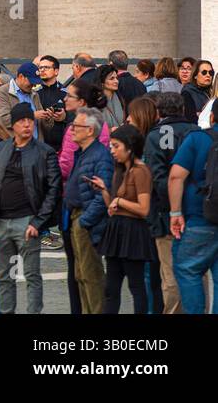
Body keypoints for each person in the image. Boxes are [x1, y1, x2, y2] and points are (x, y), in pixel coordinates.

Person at [0, 103, 60, 314]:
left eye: (30, 120)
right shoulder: (0, 149)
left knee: (32, 275)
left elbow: (53, 190)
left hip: (27, 222)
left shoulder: (44, 152)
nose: (27, 124)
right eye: (22, 120)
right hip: (0, 222)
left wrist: (38, 222)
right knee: (5, 276)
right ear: (13, 124)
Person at [89, 123, 152, 314]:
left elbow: (144, 209)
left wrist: (119, 201)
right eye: (111, 146)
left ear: (130, 147)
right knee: (111, 287)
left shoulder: (140, 171)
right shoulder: (121, 170)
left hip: (133, 232)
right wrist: (105, 192)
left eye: (116, 146)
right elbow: (113, 207)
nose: (112, 150)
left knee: (136, 285)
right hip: (117, 228)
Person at [146, 92, 196, 313]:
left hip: (166, 214)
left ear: (159, 111)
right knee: (195, 271)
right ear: (183, 109)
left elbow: (158, 177)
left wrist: (171, 207)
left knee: (170, 273)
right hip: (196, 211)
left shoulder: (155, 135)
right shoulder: (196, 133)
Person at [167, 114, 218, 313]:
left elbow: (175, 177)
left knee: (188, 269)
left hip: (199, 217)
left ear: (212, 117)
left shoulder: (197, 138)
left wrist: (175, 212)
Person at [66, 108, 115, 315]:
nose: (72, 130)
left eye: (76, 126)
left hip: (86, 220)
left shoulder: (99, 156)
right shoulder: (85, 153)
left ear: (89, 130)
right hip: (78, 217)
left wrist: (84, 221)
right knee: (81, 274)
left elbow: (102, 194)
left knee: (91, 275)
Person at [0, 61, 41, 132]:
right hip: (13, 142)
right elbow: (4, 121)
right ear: (21, 77)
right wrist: (31, 115)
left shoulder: (34, 94)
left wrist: (48, 117)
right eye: (31, 82)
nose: (34, 85)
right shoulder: (3, 92)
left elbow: (44, 126)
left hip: (35, 142)